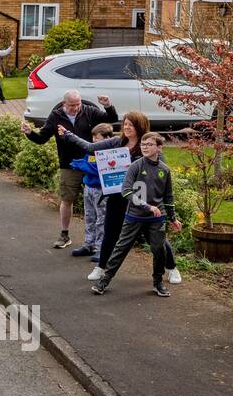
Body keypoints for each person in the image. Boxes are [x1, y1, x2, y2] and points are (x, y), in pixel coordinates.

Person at [56, 111, 179, 284]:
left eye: (131, 124)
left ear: (140, 126)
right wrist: (68, 135)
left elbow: (161, 173)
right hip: (117, 196)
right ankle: (101, 267)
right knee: (110, 233)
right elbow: (90, 147)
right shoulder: (117, 141)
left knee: (155, 237)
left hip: (141, 200)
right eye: (125, 124)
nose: (127, 127)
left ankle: (172, 268)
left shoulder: (148, 145)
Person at [21, 89, 118, 249]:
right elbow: (41, 139)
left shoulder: (88, 111)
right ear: (65, 103)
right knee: (67, 199)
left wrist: (108, 106)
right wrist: (30, 133)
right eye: (72, 105)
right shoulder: (56, 116)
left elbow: (111, 120)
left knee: (98, 202)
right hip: (69, 164)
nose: (76, 108)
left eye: (78, 104)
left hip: (92, 163)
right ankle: (65, 234)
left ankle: (99, 241)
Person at [91, 133, 182, 297]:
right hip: (134, 216)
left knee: (159, 249)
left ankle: (158, 283)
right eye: (143, 144)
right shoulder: (136, 166)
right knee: (121, 248)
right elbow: (126, 191)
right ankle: (104, 281)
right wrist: (147, 206)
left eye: (149, 144)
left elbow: (168, 197)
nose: (145, 147)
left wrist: (173, 218)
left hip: (156, 218)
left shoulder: (164, 170)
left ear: (159, 148)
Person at [67, 123, 113, 259]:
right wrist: (82, 164)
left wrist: (82, 165)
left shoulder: (109, 153)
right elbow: (89, 164)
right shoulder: (91, 151)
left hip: (101, 190)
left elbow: (97, 169)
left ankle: (100, 247)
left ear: (108, 138)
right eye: (93, 138)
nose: (94, 141)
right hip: (89, 187)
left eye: (97, 138)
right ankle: (89, 244)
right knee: (89, 216)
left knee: (101, 219)